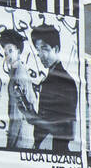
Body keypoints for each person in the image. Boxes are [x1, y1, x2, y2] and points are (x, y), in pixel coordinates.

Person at [30, 24, 77, 153]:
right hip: (45, 148)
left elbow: (66, 129)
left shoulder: (65, 81)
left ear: (56, 49)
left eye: (44, 48)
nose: (40, 54)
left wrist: (35, 118)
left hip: (54, 150)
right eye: (38, 49)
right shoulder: (50, 79)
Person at [0, 29, 37, 150]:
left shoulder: (18, 75)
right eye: (5, 53)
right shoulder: (17, 71)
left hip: (21, 135)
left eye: (11, 51)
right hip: (24, 133)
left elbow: (17, 114)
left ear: (19, 52)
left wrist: (9, 144)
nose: (8, 56)